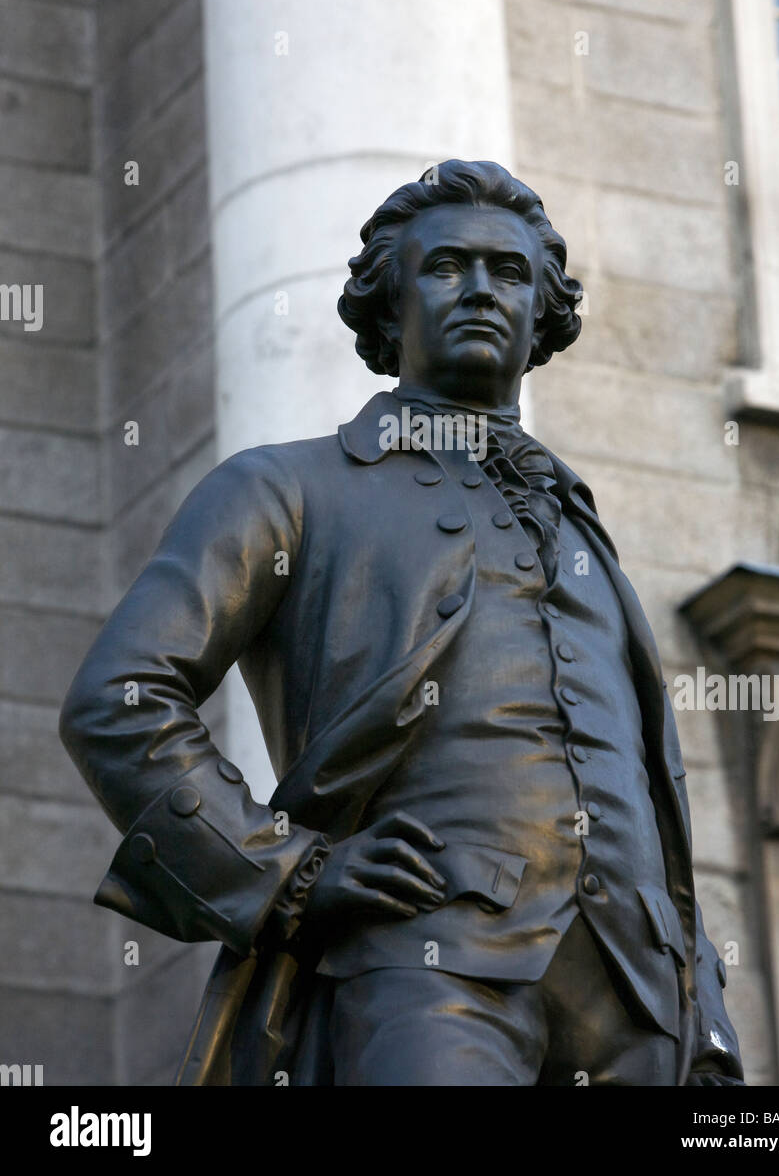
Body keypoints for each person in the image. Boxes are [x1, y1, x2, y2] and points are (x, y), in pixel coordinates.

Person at [60, 160, 744, 1086]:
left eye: (508, 273)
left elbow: (650, 798)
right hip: (423, 967)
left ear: (544, 310)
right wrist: (287, 873)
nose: (479, 291)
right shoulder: (287, 488)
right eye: (445, 267)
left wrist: (704, 1009)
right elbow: (122, 697)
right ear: (389, 306)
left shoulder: (582, 525)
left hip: (642, 1006)